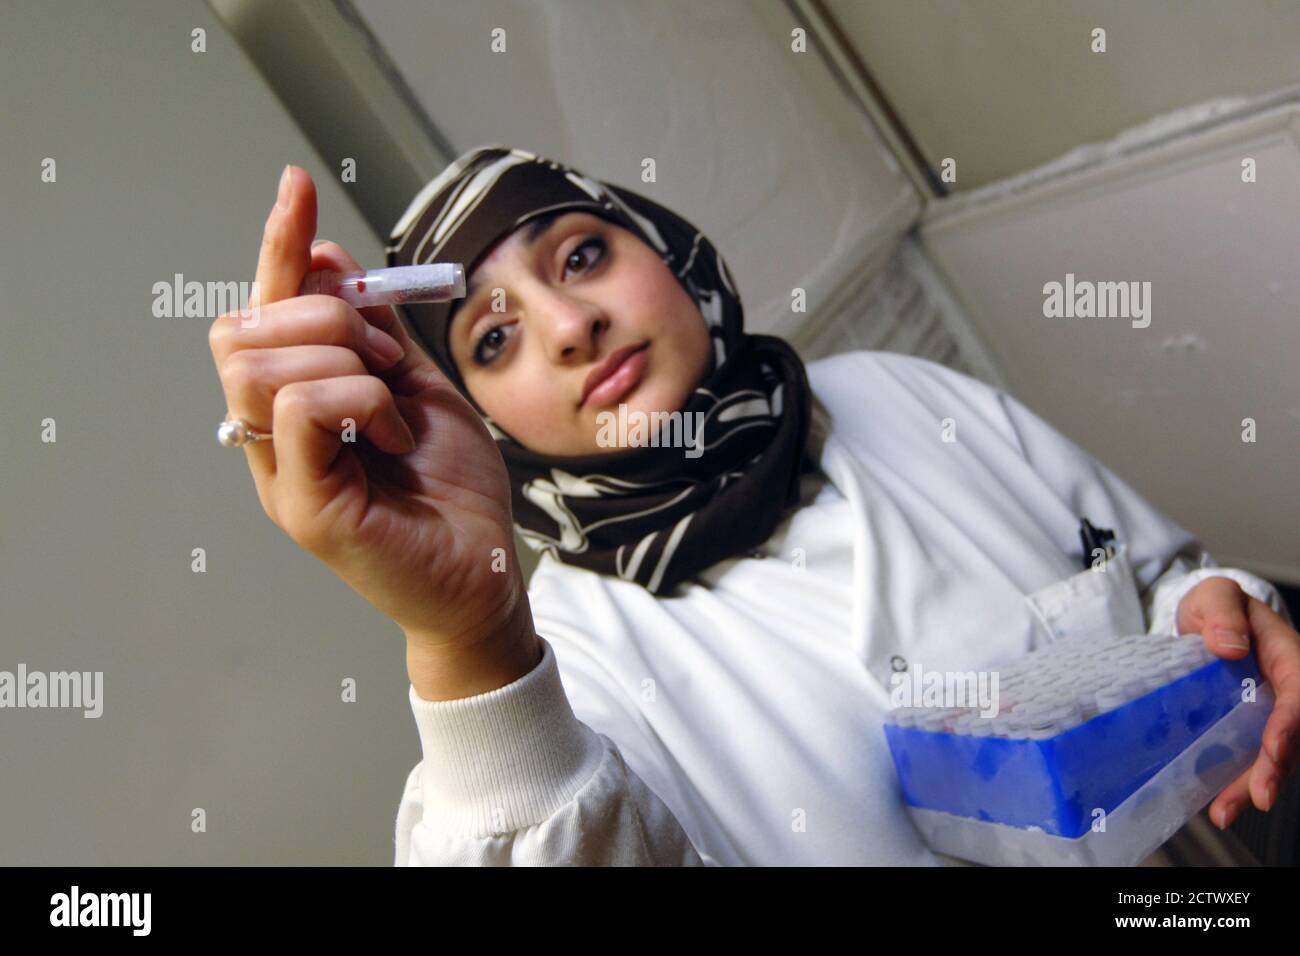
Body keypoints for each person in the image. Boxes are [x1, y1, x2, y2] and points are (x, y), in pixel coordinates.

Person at [210, 146, 1300, 866]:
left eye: (581, 254)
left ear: (668, 248)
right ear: (484, 417)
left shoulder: (896, 392)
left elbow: (1159, 578)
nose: (568, 325)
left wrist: (1221, 606)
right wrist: (465, 636)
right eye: (493, 337)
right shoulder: (563, 665)